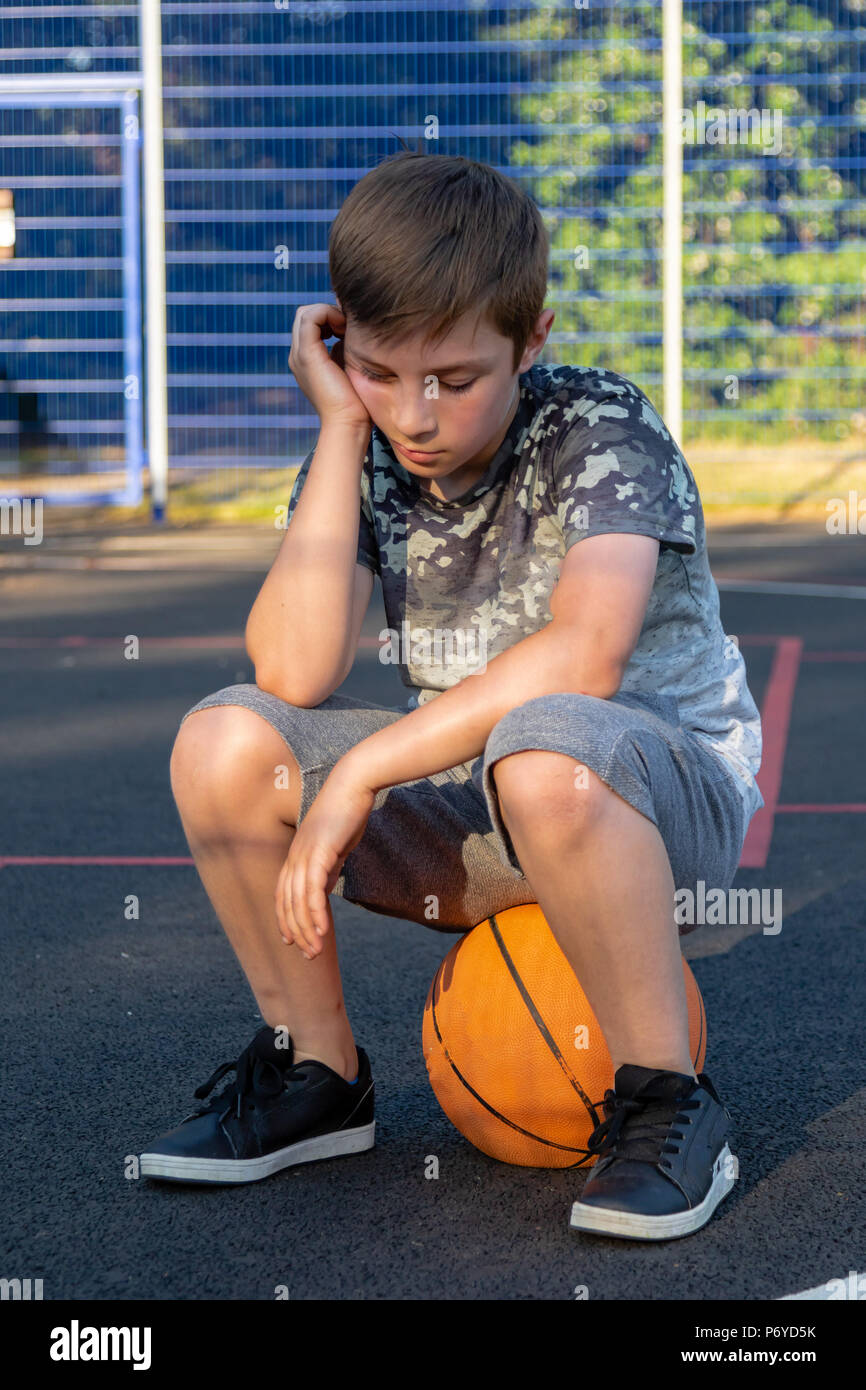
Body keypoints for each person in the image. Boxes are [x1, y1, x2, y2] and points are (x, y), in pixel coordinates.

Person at [140, 152, 762, 1241]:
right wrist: (337, 429)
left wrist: (366, 773)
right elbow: (290, 670)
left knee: (543, 744)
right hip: (486, 801)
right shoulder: (369, 446)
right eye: (379, 371)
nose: (415, 414)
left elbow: (588, 652)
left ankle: (668, 1099)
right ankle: (315, 1076)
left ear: (532, 337)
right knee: (222, 741)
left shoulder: (597, 425)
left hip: (653, 810)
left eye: (455, 379)